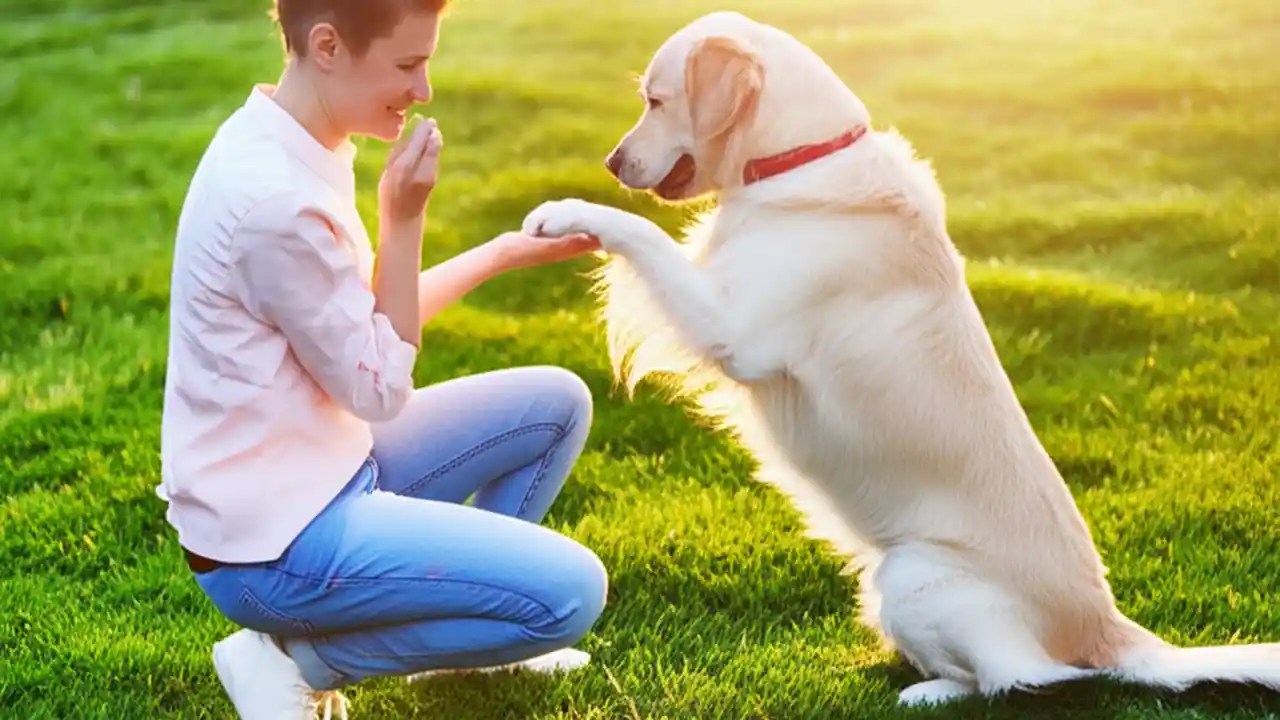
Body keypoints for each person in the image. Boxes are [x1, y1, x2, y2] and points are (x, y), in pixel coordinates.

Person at [157, 0, 609, 717]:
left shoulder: (289, 141)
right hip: (274, 548)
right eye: (407, 64)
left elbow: (363, 323)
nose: (424, 88)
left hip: (323, 469)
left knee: (555, 407)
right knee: (572, 595)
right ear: (328, 46)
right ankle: (293, 661)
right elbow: (379, 388)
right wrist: (403, 219)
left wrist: (499, 255)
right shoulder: (276, 202)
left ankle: (461, 639)